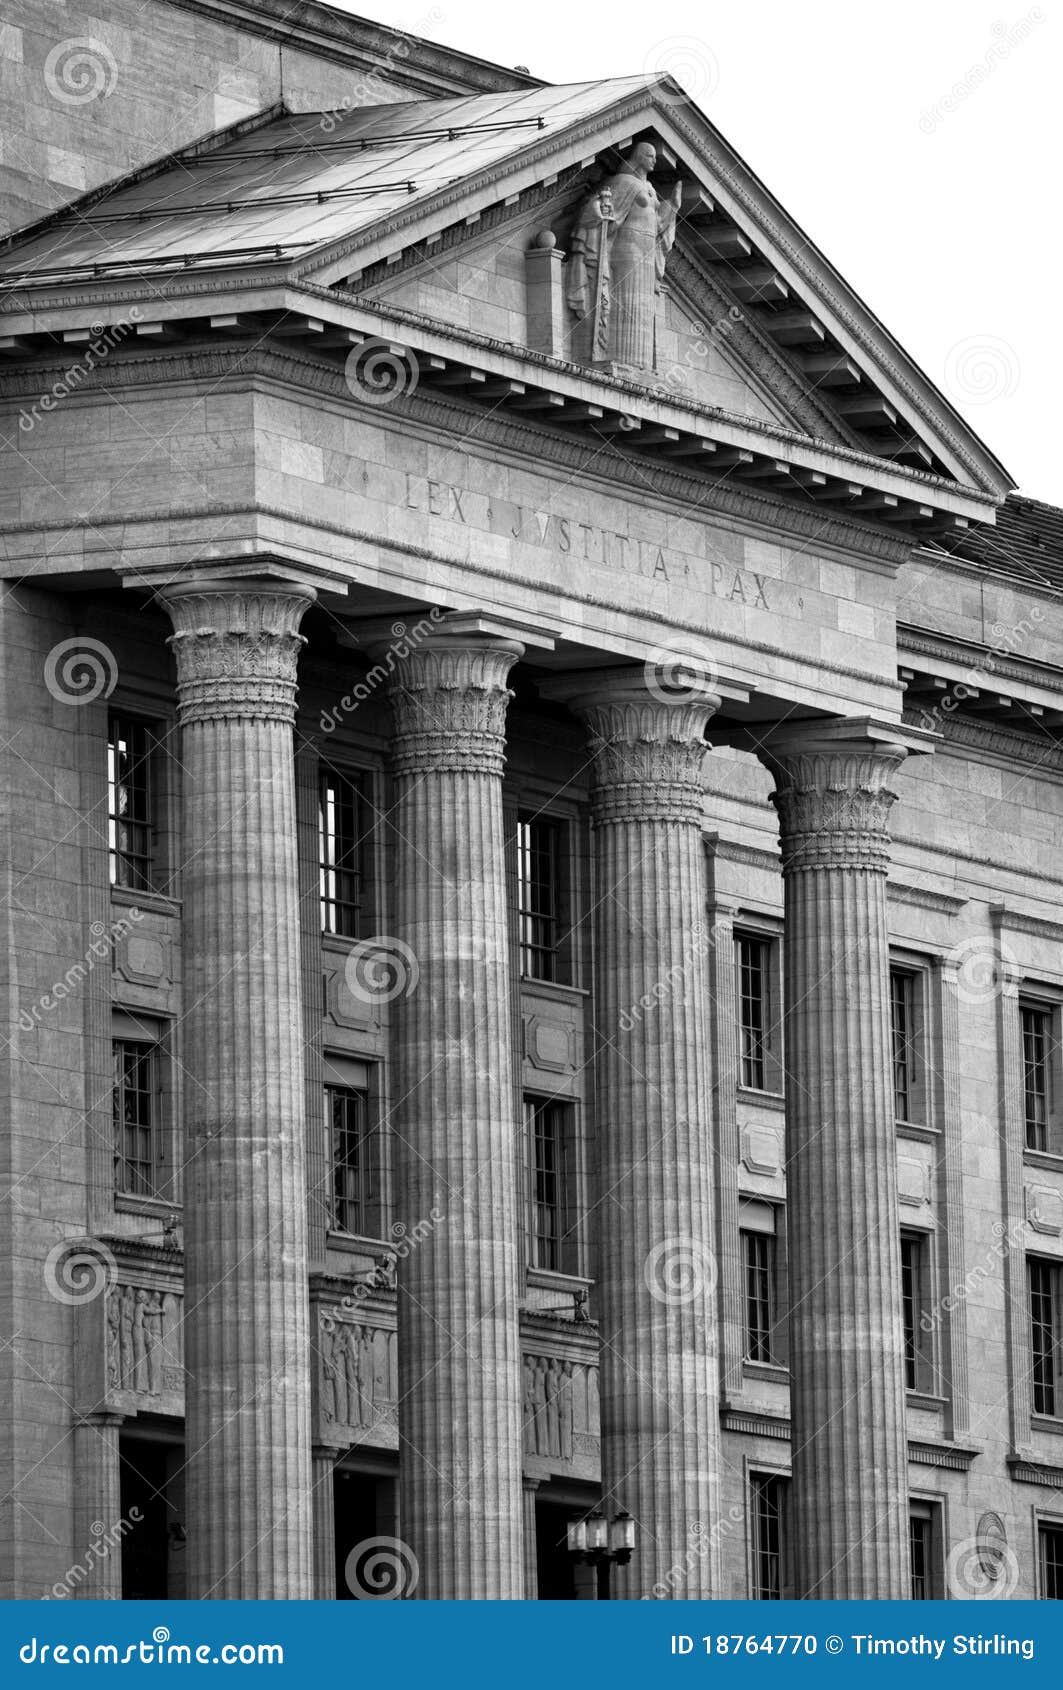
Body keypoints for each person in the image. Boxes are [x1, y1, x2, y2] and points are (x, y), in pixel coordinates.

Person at [565, 141, 682, 371]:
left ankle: (640, 366)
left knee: (641, 304)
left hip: (646, 252)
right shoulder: (622, 182)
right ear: (638, 156)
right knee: (625, 300)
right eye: (649, 155)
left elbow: (659, 224)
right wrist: (599, 212)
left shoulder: (648, 188)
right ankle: (620, 359)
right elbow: (596, 213)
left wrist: (674, 206)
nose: (654, 160)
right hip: (626, 251)